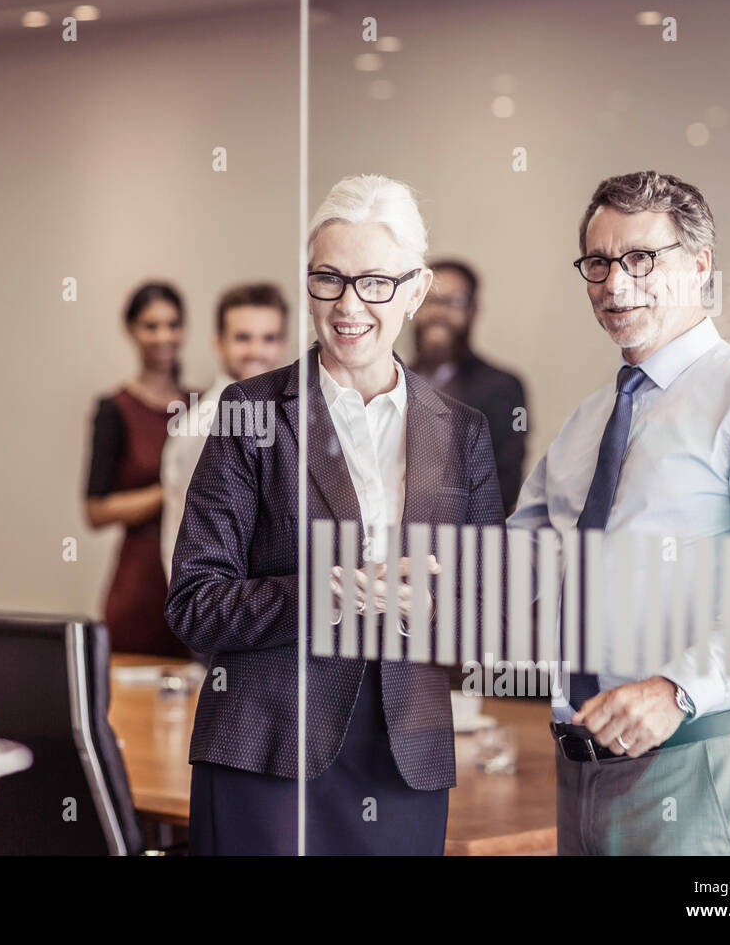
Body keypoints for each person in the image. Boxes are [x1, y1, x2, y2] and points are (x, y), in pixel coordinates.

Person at [166, 174, 504, 855]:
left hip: (406, 761)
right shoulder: (251, 412)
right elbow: (195, 604)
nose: (350, 305)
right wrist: (322, 590)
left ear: (415, 290)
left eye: (375, 282)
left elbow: (490, 603)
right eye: (329, 279)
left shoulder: (462, 430)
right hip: (266, 754)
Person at [508, 170, 730, 855]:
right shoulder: (588, 420)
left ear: (701, 265)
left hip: (694, 761)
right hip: (580, 771)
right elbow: (512, 561)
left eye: (642, 258)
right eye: (598, 263)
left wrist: (677, 689)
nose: (616, 284)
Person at [85, 282, 193, 658]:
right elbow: (96, 511)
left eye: (172, 324)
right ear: (131, 329)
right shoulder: (115, 410)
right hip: (140, 583)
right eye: (151, 326)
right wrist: (171, 492)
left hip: (194, 573)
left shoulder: (204, 407)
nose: (164, 336)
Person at [160, 281, 288, 581]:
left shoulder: (283, 411)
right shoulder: (204, 424)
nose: (256, 350)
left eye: (268, 338)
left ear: (282, 345)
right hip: (228, 612)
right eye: (243, 338)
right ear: (219, 343)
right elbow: (186, 542)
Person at [411, 259, 527, 515]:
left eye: (454, 302)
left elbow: (507, 483)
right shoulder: (391, 382)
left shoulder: (505, 388)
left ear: (473, 310)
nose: (438, 312)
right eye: (429, 300)